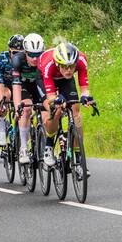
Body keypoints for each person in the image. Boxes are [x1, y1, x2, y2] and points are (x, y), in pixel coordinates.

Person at [40, 40, 94, 169]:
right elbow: (51, 97)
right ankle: (49, 145)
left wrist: (86, 97)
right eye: (65, 66)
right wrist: (57, 99)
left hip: (65, 81)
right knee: (56, 109)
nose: (69, 70)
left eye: (71, 66)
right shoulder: (48, 65)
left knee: (76, 111)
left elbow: (84, 87)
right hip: (45, 78)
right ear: (58, 63)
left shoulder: (81, 60)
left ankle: (78, 156)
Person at [14, 33, 47, 165]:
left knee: (46, 113)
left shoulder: (45, 60)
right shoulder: (18, 60)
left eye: (38, 54)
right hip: (23, 86)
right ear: (25, 52)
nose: (34, 58)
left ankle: (44, 143)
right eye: (31, 54)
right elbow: (16, 86)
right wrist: (17, 108)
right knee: (26, 109)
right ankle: (23, 147)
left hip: (39, 85)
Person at [0, 35, 24, 147]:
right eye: (15, 53)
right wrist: (1, 103)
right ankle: (1, 125)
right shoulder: (1, 58)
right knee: (6, 95)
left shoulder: (27, 60)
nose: (17, 57)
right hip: (2, 84)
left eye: (21, 54)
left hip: (19, 84)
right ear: (9, 51)